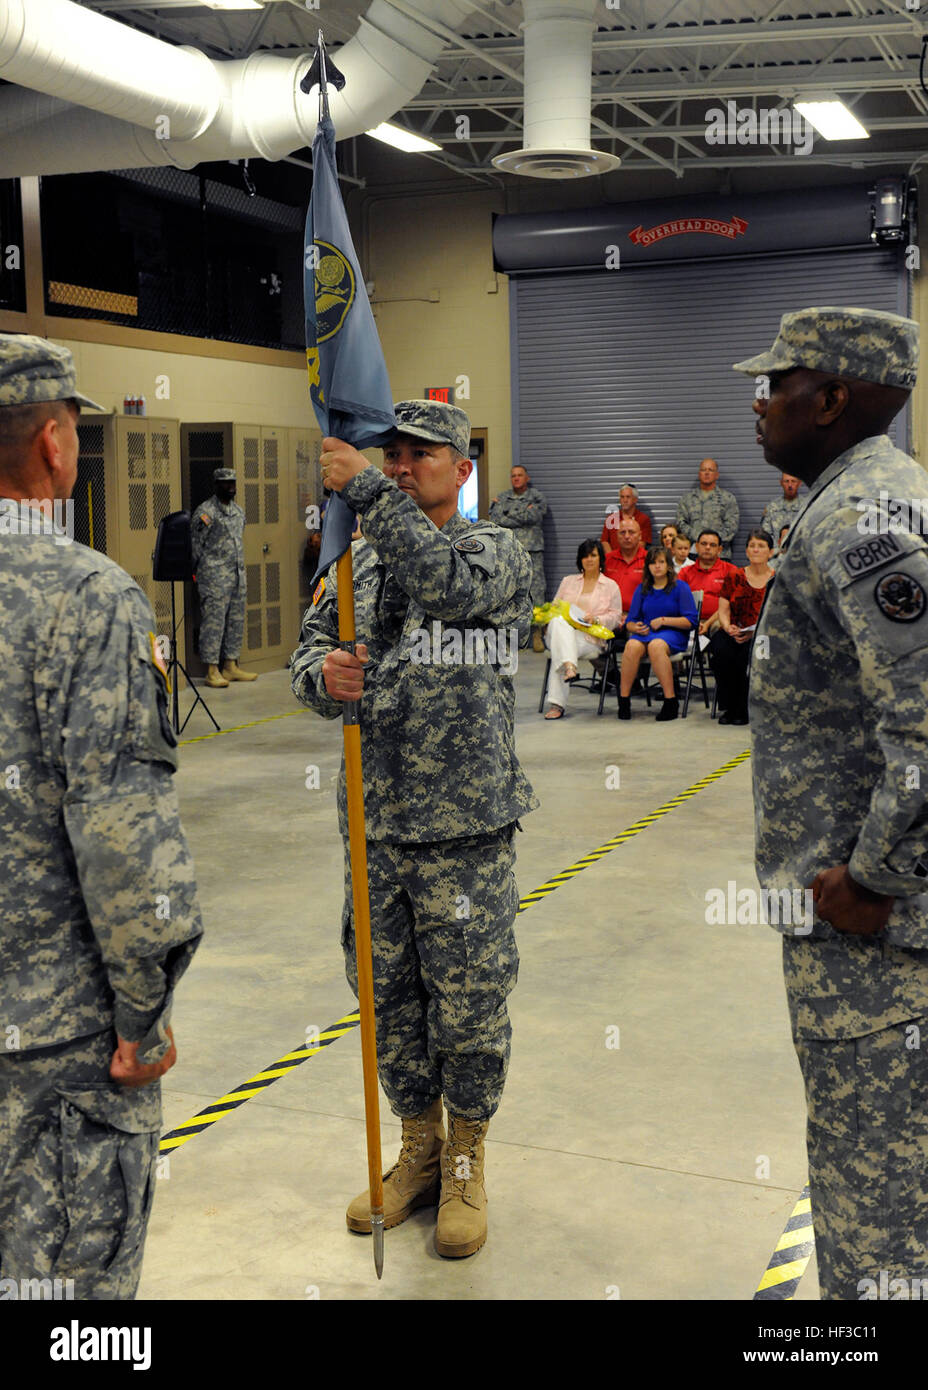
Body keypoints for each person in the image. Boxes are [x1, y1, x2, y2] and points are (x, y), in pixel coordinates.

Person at [290, 400, 538, 1260]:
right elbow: (304, 656)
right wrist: (324, 674)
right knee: (386, 996)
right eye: (389, 455)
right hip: (375, 822)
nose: (399, 467)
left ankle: (467, 1156)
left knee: (467, 999)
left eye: (419, 456)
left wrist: (366, 495)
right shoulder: (356, 563)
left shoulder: (493, 550)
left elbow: (443, 586)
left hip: (463, 826)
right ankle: (419, 1150)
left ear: (463, 470)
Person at [0, 334, 203, 1299]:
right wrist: (144, 1012)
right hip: (56, 1049)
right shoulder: (90, 600)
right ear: (53, 443)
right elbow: (122, 841)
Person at [735, 305, 926, 1301]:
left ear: (836, 397)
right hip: (851, 930)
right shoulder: (853, 499)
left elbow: (927, 725)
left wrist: (873, 878)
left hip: (874, 941)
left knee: (876, 1216)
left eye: (780, 382)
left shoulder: (865, 519)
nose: (760, 401)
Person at [542, 538, 623, 720]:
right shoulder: (568, 581)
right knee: (558, 622)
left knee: (560, 649)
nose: (589, 559)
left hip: (589, 638)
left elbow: (616, 616)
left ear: (600, 558)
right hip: (561, 632)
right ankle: (569, 666)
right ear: (580, 559)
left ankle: (557, 704)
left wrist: (596, 619)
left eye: (593, 555)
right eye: (585, 556)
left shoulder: (610, 586)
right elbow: (554, 607)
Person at [191, 466, 257, 687]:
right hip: (214, 577)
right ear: (216, 485)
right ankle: (211, 670)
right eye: (226, 483)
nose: (230, 487)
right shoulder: (206, 513)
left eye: (233, 483)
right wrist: (199, 574)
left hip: (237, 576)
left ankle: (230, 666)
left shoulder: (238, 512)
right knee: (214, 623)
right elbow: (196, 547)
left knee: (235, 622)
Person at [618, 544, 697, 721]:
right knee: (631, 645)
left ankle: (670, 701)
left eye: (661, 562)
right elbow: (630, 621)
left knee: (656, 646)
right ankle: (624, 700)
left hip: (673, 633)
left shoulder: (680, 587)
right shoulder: (643, 589)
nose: (657, 566)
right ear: (648, 567)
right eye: (653, 563)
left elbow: (691, 621)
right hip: (646, 632)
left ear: (669, 565)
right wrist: (634, 627)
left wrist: (663, 621)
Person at [707, 529, 775, 725]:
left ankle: (744, 708)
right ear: (746, 551)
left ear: (770, 552)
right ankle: (729, 706)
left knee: (748, 655)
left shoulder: (775, 579)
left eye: (761, 546)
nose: (756, 550)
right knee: (721, 650)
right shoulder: (734, 575)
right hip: (734, 629)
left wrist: (753, 632)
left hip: (763, 634)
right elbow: (723, 608)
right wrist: (728, 627)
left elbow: (778, 614)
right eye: (752, 546)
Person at [489, 464, 547, 651]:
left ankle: (537, 634)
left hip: (533, 551)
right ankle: (509, 637)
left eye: (519, 475)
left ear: (526, 478)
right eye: (513, 475)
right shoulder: (502, 496)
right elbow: (497, 518)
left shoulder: (536, 496)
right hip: (510, 552)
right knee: (508, 593)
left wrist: (509, 513)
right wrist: (522, 513)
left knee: (537, 592)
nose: (516, 478)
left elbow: (535, 516)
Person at [675, 458, 739, 559]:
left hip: (720, 555)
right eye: (703, 470)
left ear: (717, 475)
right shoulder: (687, 499)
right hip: (693, 555)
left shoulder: (727, 498)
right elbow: (680, 523)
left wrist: (712, 542)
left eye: (711, 470)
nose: (707, 473)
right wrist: (698, 538)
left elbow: (732, 527)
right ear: (699, 474)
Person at [678, 530, 738, 637]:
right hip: (690, 620)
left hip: (718, 620)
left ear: (719, 550)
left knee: (722, 627)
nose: (707, 548)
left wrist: (707, 624)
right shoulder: (684, 572)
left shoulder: (731, 571)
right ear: (696, 546)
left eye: (713, 545)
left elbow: (731, 605)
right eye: (704, 544)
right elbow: (678, 602)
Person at [603, 516, 648, 622]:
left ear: (640, 536)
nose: (627, 536)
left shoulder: (650, 560)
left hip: (640, 617)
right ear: (617, 536)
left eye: (631, 532)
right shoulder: (606, 560)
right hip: (608, 616)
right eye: (622, 533)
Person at [761, 472, 804, 555]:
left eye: (793, 481)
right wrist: (778, 551)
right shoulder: (772, 507)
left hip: (800, 556)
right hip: (775, 558)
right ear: (781, 483)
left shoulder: (806, 506)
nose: (790, 485)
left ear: (799, 483)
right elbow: (765, 535)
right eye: (786, 481)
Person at [602, 483, 652, 550]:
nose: (625, 500)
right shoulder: (611, 519)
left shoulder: (643, 519)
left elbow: (641, 544)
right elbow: (605, 542)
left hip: (635, 560)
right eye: (622, 497)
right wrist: (612, 558)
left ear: (635, 499)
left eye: (628, 497)